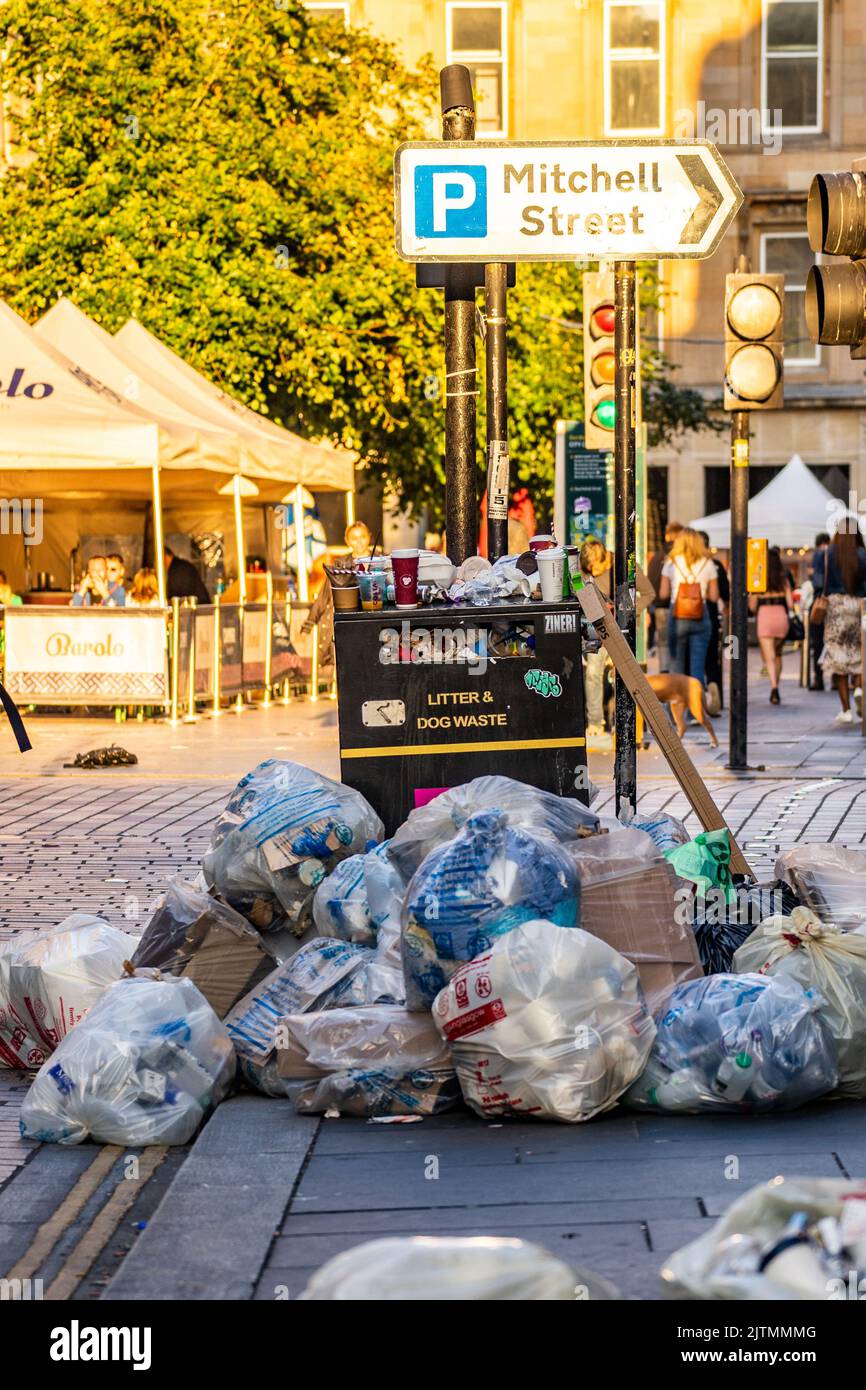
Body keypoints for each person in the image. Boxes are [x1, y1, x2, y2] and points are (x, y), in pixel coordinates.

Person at [580, 538, 655, 735]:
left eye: (595, 566)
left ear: (605, 559)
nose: (592, 571)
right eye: (587, 567)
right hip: (599, 629)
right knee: (593, 673)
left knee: (622, 674)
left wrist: (628, 610)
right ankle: (596, 721)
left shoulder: (624, 565)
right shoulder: (584, 571)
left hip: (622, 628)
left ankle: (623, 722)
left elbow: (649, 593)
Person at [813, 522, 866, 723]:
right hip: (858, 606)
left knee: (838, 659)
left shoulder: (825, 554)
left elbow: (818, 582)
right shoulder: (862, 554)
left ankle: (846, 710)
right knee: (860, 654)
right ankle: (860, 688)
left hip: (835, 607)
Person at [658, 527, 719, 685]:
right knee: (697, 669)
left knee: (676, 667)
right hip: (700, 615)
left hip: (677, 615)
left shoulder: (671, 562)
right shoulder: (708, 563)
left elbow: (663, 594)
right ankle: (695, 708)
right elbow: (714, 596)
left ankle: (675, 709)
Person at [748, 546, 793, 705]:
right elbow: (790, 604)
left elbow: (752, 606)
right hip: (781, 617)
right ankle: (776, 684)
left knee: (769, 657)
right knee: (778, 655)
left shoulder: (758, 580)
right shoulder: (784, 580)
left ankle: (773, 687)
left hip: (765, 618)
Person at [699, 530, 729, 714]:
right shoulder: (715, 564)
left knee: (694, 662)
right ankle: (715, 699)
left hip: (690, 615)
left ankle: (698, 701)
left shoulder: (689, 563)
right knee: (712, 661)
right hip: (711, 616)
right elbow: (724, 594)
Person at [648, 520, 683, 672]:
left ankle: (664, 670)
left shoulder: (658, 556)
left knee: (663, 642)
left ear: (667, 536)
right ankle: (677, 673)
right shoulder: (682, 556)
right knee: (679, 641)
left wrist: (655, 603)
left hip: (661, 607)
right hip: (681, 607)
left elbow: (651, 580)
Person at [807, 531, 830, 690]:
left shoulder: (818, 554)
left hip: (821, 603)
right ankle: (837, 679)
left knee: (818, 643)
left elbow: (818, 582)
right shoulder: (836, 553)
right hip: (837, 602)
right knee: (836, 643)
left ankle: (819, 678)